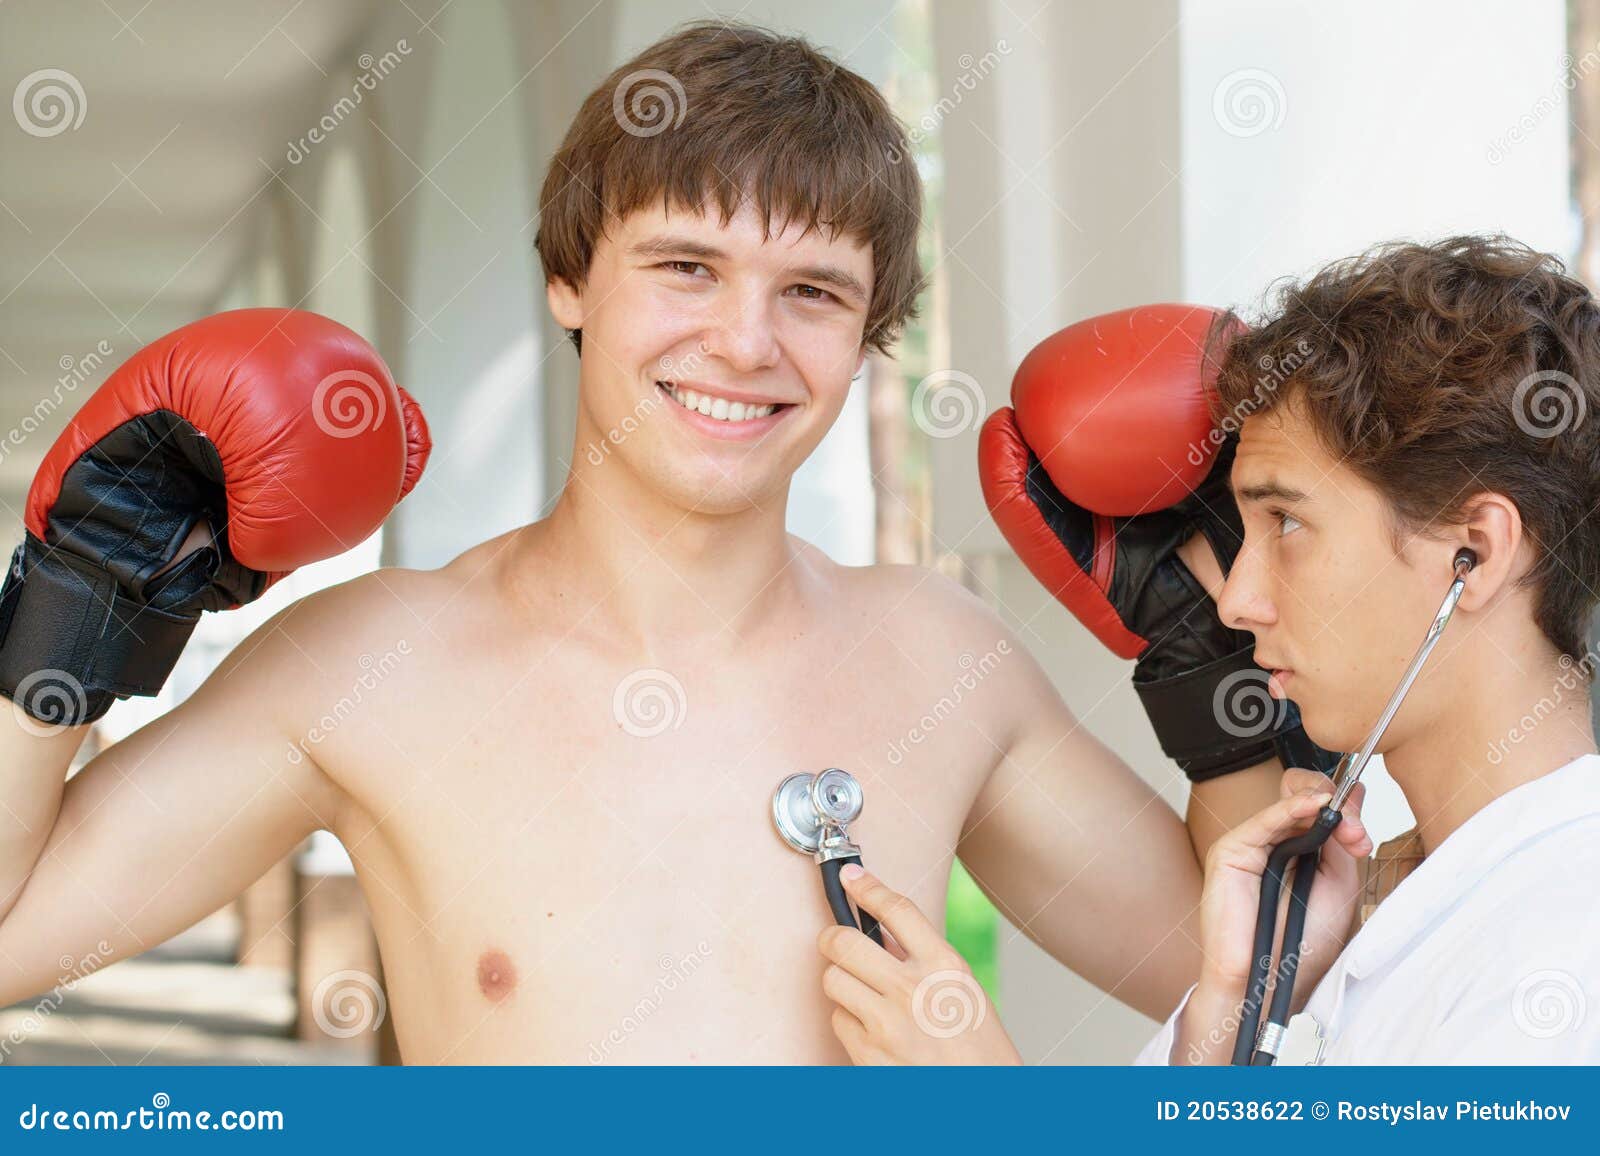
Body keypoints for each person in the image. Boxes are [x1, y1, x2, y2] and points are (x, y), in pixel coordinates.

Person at [0, 22, 1299, 1064]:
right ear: (570, 278)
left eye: (812, 293)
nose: (745, 342)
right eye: (686, 267)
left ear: (867, 336)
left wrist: (1220, 664)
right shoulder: (368, 662)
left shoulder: (939, 656)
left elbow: (1254, 982)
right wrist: (73, 603)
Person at [819, 235, 1600, 1065]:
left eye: (1286, 521)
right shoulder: (1391, 907)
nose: (1234, 599)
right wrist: (1235, 1003)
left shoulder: (1564, 935)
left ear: (1474, 551)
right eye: (1245, 528)